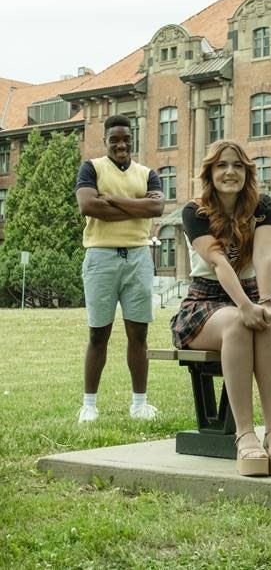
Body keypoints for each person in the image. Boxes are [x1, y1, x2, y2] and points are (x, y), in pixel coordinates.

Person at [170, 140, 271, 477]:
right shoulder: (194, 211)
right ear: (210, 172)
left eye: (237, 165)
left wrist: (264, 303)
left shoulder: (262, 205)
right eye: (221, 165)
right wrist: (245, 306)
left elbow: (264, 255)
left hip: (252, 293)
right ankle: (245, 434)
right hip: (205, 301)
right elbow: (219, 262)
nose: (230, 172)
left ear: (247, 172)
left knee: (266, 323)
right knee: (239, 323)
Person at [75, 115, 165, 423]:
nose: (121, 145)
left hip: (138, 258)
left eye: (126, 138)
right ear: (105, 141)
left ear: (132, 138)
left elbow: (156, 208)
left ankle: (139, 404)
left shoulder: (148, 174)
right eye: (114, 139)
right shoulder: (91, 168)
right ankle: (89, 405)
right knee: (98, 334)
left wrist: (112, 200)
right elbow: (88, 206)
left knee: (138, 334)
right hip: (101, 257)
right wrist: (137, 207)